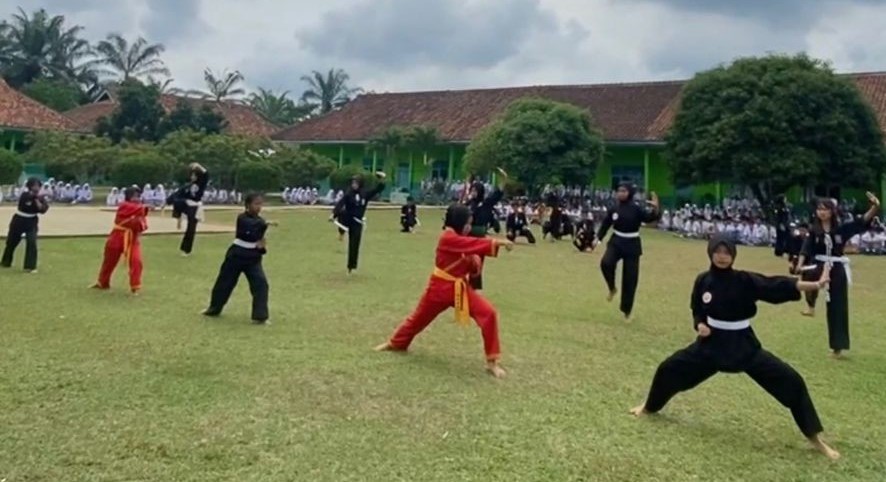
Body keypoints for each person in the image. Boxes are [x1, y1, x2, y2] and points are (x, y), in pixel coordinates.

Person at [630, 235, 839, 460]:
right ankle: (649, 407)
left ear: (733, 255)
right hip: (710, 347)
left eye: (727, 252)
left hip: (743, 346)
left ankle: (815, 440)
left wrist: (815, 284)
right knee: (668, 369)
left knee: (792, 382)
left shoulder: (744, 280)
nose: (722, 257)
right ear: (711, 253)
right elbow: (697, 308)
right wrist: (700, 324)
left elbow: (774, 284)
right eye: (718, 252)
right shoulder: (703, 280)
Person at [375, 204, 514, 377]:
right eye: (467, 223)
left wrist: (475, 262)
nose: (469, 227)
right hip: (439, 288)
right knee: (418, 319)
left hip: (460, 287)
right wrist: (498, 241)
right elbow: (472, 244)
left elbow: (471, 258)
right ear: (459, 222)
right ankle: (396, 343)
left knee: (488, 313)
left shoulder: (460, 238)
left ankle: (492, 362)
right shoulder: (447, 237)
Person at [795, 193, 880, 358]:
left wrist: (875, 207)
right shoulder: (814, 230)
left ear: (832, 211)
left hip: (837, 266)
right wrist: (800, 263)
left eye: (825, 209)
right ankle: (810, 305)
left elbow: (861, 221)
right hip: (818, 263)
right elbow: (805, 248)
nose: (822, 212)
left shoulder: (841, 229)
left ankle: (837, 347)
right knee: (808, 273)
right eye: (819, 209)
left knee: (838, 306)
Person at [202, 194, 277, 324]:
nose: (259, 207)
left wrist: (261, 247)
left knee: (261, 284)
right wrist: (265, 224)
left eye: (260, 204)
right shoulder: (242, 218)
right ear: (247, 205)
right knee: (224, 283)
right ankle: (214, 309)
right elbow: (249, 230)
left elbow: (258, 240)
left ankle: (260, 316)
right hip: (236, 255)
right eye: (256, 204)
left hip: (253, 257)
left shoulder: (260, 221)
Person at [594, 183, 660, 321]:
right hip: (616, 241)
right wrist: (598, 238)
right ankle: (612, 288)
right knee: (606, 263)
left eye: (624, 191)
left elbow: (650, 218)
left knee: (630, 279)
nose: (621, 193)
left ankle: (626, 310)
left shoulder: (636, 209)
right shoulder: (614, 208)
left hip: (632, 244)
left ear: (629, 193)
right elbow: (606, 223)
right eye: (619, 191)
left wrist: (655, 208)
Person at [91, 187, 150, 294]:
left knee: (136, 261)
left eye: (138, 196)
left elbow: (143, 225)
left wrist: (139, 224)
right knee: (109, 261)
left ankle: (135, 286)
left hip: (132, 238)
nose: (137, 198)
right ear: (128, 196)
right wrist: (141, 211)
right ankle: (102, 282)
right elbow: (131, 210)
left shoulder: (140, 208)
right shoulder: (124, 205)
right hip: (117, 237)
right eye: (134, 196)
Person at [464, 170, 506, 290]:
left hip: (479, 239)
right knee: (465, 262)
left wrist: (503, 178)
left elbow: (499, 192)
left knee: (477, 264)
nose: (473, 193)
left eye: (475, 191)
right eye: (472, 190)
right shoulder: (469, 204)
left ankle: (473, 289)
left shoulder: (486, 203)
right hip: (467, 238)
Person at [339, 172, 387, 274]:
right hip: (348, 219)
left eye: (356, 183)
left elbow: (377, 189)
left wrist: (381, 180)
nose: (354, 185)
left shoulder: (365, 194)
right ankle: (341, 232)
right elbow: (341, 203)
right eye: (353, 183)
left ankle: (351, 266)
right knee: (341, 214)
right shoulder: (349, 193)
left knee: (354, 244)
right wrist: (333, 214)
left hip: (357, 222)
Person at [1, 178, 49, 273]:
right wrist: (37, 196)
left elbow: (43, 210)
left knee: (32, 242)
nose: (37, 187)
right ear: (30, 186)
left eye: (38, 186)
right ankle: (6, 261)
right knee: (11, 242)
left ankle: (30, 266)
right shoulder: (24, 195)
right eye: (35, 185)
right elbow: (28, 198)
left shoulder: (41, 199)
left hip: (31, 221)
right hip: (19, 220)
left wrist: (39, 200)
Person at [180, 163, 209, 256]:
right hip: (189, 206)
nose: (192, 177)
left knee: (191, 228)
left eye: (194, 175)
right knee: (189, 227)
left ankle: (186, 249)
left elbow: (206, 174)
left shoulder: (201, 184)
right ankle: (184, 248)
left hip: (196, 207)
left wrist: (198, 166)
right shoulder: (190, 185)